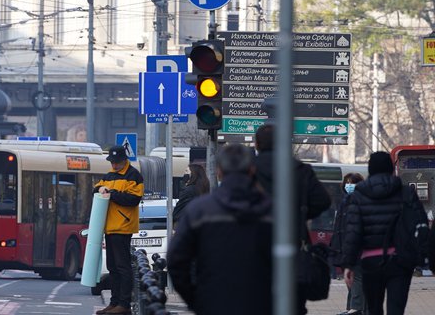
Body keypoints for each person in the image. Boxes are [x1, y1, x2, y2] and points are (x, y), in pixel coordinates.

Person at [167, 144, 273, 315]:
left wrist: (195, 299)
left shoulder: (199, 211)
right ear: (252, 170)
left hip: (213, 299)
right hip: (260, 302)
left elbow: (176, 260)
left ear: (219, 171)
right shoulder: (272, 211)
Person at [253, 123, 331, 315]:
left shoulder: (248, 171)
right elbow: (322, 200)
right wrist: (300, 214)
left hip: (253, 252)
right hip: (292, 250)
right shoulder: (299, 170)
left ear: (256, 144)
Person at [336, 152, 425, 315]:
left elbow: (353, 232)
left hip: (371, 261)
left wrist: (348, 264)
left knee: (373, 308)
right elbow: (420, 225)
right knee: (396, 308)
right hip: (401, 261)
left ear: (370, 170)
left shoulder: (358, 196)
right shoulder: (406, 193)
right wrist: (424, 258)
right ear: (391, 169)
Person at [93, 145, 144, 315]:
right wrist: (99, 189)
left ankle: (124, 304)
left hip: (123, 226)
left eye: (116, 162)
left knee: (123, 267)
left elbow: (133, 199)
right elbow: (96, 188)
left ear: (124, 160)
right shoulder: (109, 175)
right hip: (109, 227)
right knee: (112, 267)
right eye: (112, 162)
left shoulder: (133, 176)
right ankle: (114, 303)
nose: (114, 165)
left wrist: (112, 193)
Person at [329, 172, 366, 315]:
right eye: (347, 182)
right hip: (344, 247)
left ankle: (356, 308)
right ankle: (353, 307)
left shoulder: (358, 200)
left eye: (353, 182)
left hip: (355, 247)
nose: (349, 185)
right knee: (350, 278)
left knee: (356, 276)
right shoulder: (344, 201)